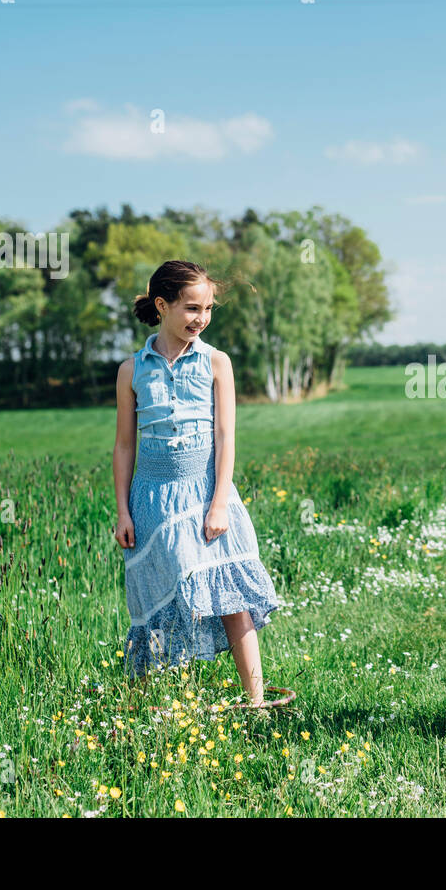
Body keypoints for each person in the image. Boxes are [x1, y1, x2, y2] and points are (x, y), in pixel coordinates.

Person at [112, 259, 280, 702]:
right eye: (191, 308)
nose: (201, 318)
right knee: (157, 603)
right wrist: (123, 510)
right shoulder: (132, 370)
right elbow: (124, 446)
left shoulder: (216, 363)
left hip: (207, 492)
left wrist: (220, 502)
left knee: (231, 597)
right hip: (153, 500)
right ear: (162, 305)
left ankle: (256, 703)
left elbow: (226, 436)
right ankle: (148, 707)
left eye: (207, 308)